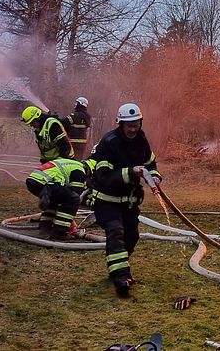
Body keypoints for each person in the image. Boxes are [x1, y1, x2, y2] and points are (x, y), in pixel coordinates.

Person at [88, 102, 161, 297]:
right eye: (129, 125)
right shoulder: (108, 143)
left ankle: (118, 264)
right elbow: (103, 177)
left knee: (132, 237)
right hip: (106, 201)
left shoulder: (141, 140)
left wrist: (154, 176)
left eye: (136, 124)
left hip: (129, 202)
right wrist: (130, 172)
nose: (133, 129)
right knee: (115, 232)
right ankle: (121, 277)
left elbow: (150, 162)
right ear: (120, 124)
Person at [25, 157, 92, 238]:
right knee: (73, 199)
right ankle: (59, 232)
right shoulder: (79, 170)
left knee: (55, 200)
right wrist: (69, 218)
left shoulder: (72, 164)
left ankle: (45, 227)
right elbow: (76, 193)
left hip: (33, 181)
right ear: (89, 170)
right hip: (45, 182)